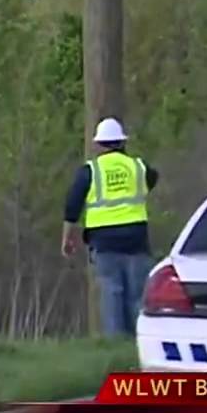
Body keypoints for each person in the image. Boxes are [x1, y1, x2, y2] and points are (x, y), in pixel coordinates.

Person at [62, 117, 158, 338]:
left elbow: (72, 205)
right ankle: (140, 344)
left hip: (104, 241)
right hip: (137, 238)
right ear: (122, 142)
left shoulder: (91, 170)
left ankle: (115, 345)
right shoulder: (138, 166)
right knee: (137, 296)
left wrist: (67, 237)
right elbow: (153, 178)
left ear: (98, 145)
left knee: (112, 293)